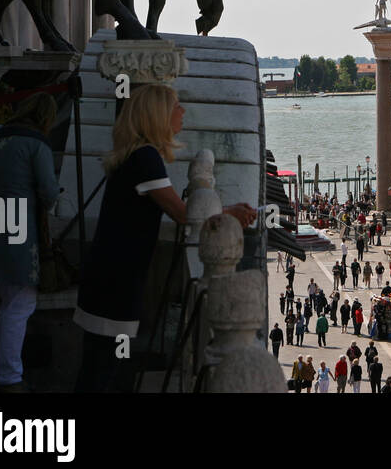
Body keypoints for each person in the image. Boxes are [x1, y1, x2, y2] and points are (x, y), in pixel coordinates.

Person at [74, 84, 255, 392]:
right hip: (116, 285)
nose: (182, 111)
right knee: (105, 373)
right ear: (157, 115)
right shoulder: (146, 159)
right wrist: (230, 213)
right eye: (176, 106)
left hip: (105, 279)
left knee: (99, 368)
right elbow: (185, 214)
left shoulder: (136, 156)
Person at [0, 93, 61, 392]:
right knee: (20, 304)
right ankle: (10, 378)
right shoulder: (36, 144)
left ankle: (6, 370)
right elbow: (49, 192)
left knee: (7, 302)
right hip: (20, 234)